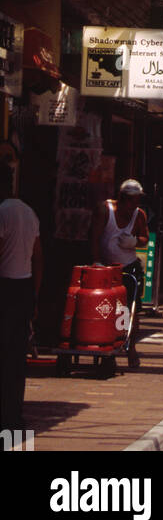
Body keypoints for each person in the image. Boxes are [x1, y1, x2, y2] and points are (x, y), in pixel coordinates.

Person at [90, 177, 149, 371]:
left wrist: (133, 241)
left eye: (137, 200)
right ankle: (109, 348)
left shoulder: (139, 215)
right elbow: (95, 237)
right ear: (123, 198)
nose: (135, 204)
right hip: (107, 268)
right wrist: (97, 261)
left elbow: (144, 238)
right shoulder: (106, 210)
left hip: (129, 267)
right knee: (106, 311)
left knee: (129, 310)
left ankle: (130, 346)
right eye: (132, 200)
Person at [0, 163, 41, 432]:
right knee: (16, 357)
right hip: (24, 287)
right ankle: (14, 415)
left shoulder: (2, 212)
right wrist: (35, 297)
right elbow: (39, 258)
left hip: (5, 287)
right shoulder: (29, 213)